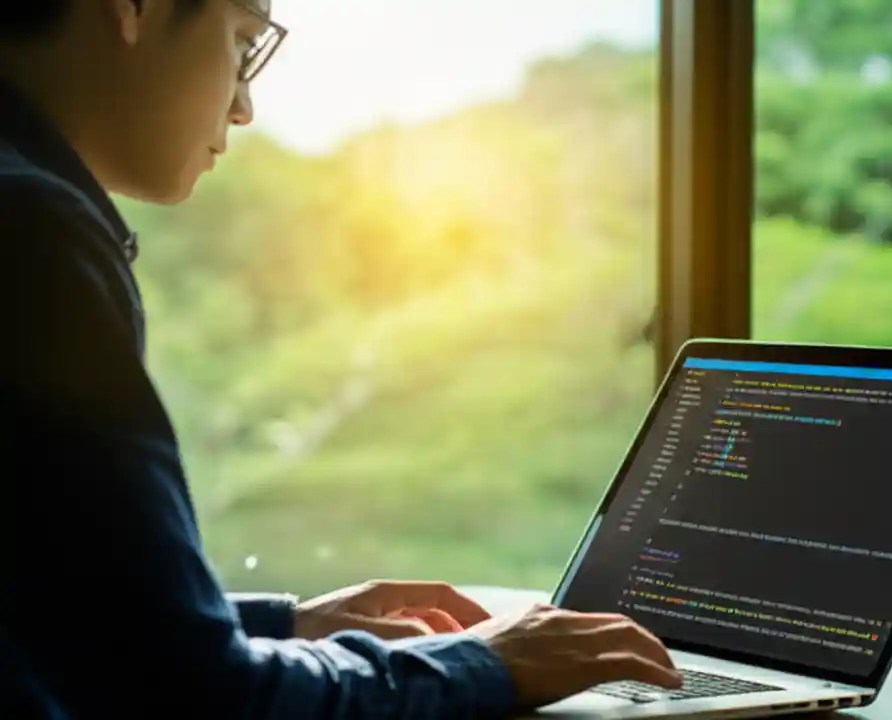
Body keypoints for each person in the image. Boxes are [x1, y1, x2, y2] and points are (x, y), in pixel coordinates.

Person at [0, 1, 683, 717]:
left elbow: (77, 623)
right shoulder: (31, 235)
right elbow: (198, 698)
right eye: (242, 43)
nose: (244, 107)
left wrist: (284, 625)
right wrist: (483, 663)